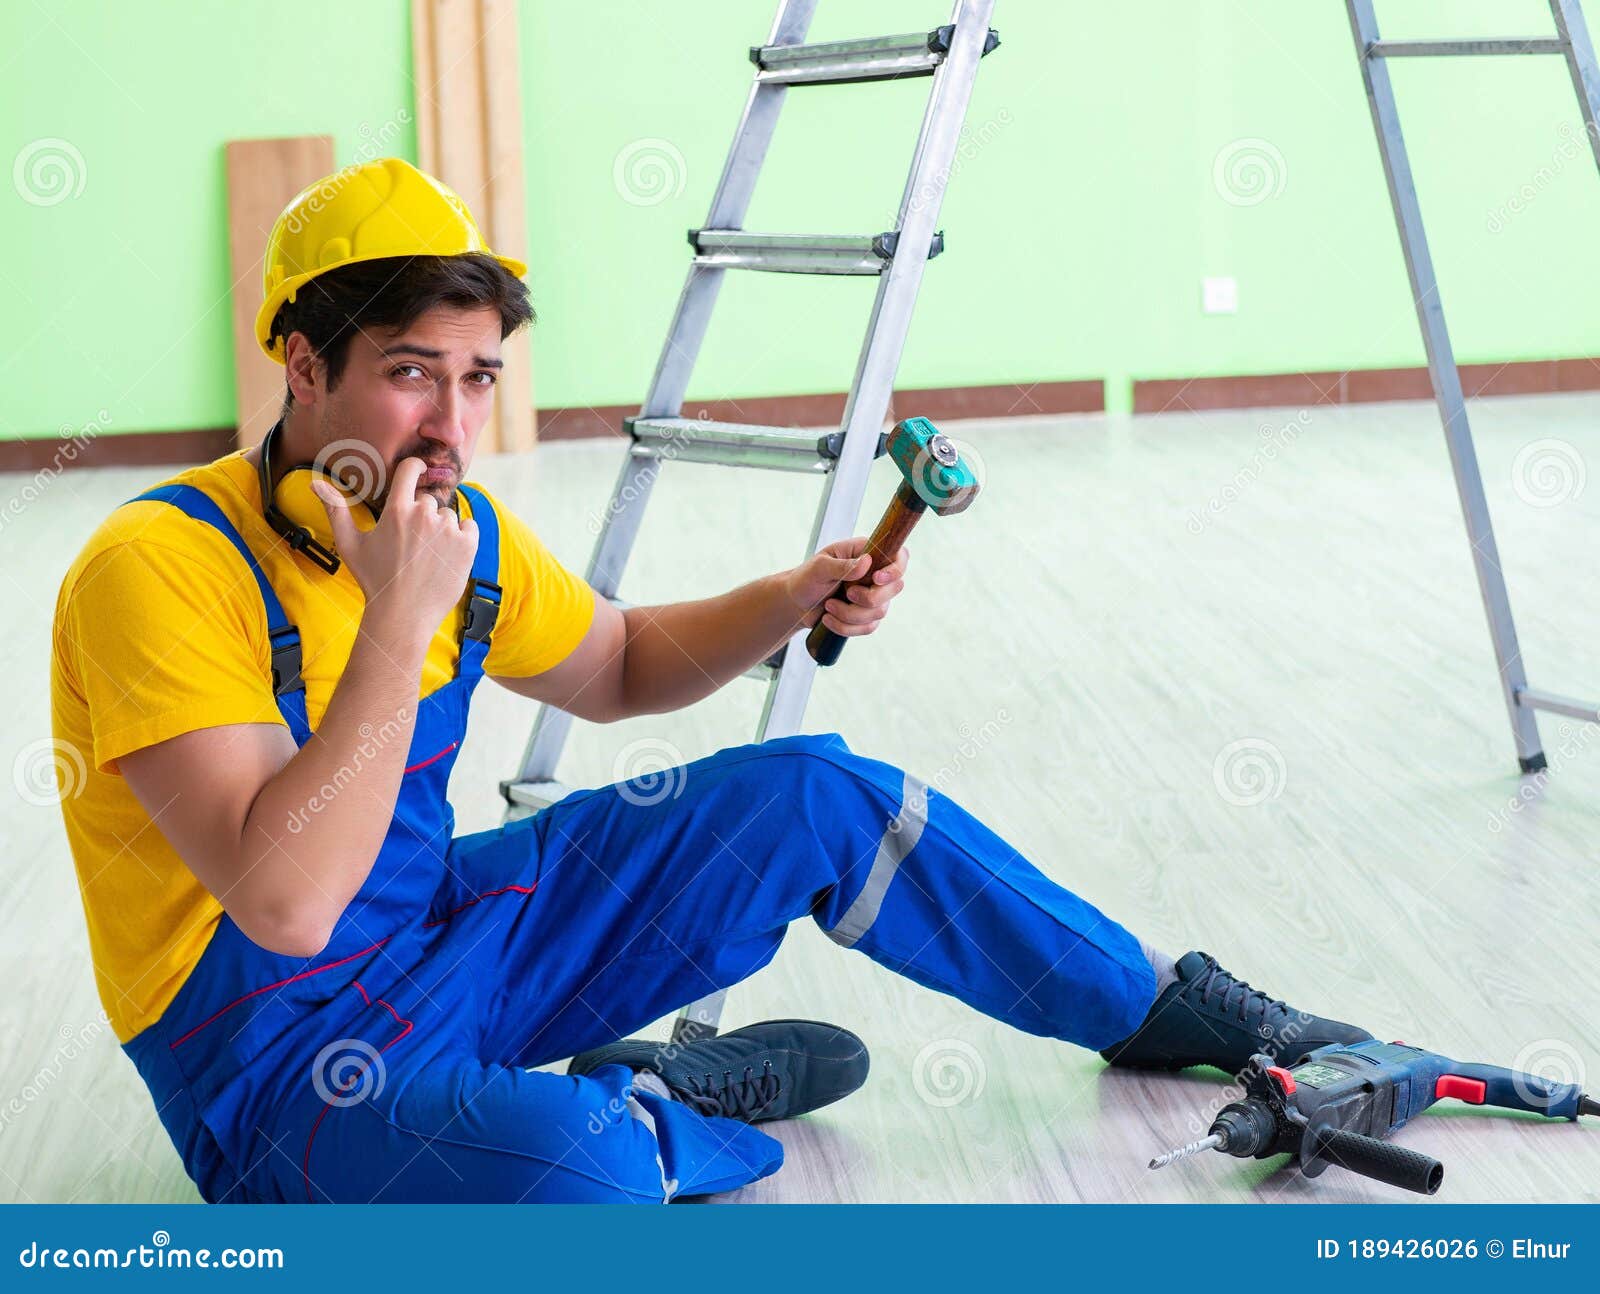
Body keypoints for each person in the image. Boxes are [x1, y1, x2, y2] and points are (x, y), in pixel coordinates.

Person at [50, 158, 1371, 1204]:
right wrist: (399, 621)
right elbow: (283, 903)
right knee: (580, 1172)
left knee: (816, 794)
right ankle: (650, 1103)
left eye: (478, 379)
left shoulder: (460, 535)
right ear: (302, 361)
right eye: (410, 375)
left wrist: (790, 597)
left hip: (447, 944)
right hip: (276, 1071)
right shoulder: (158, 568)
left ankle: (1153, 1004)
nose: (452, 429)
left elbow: (620, 663)